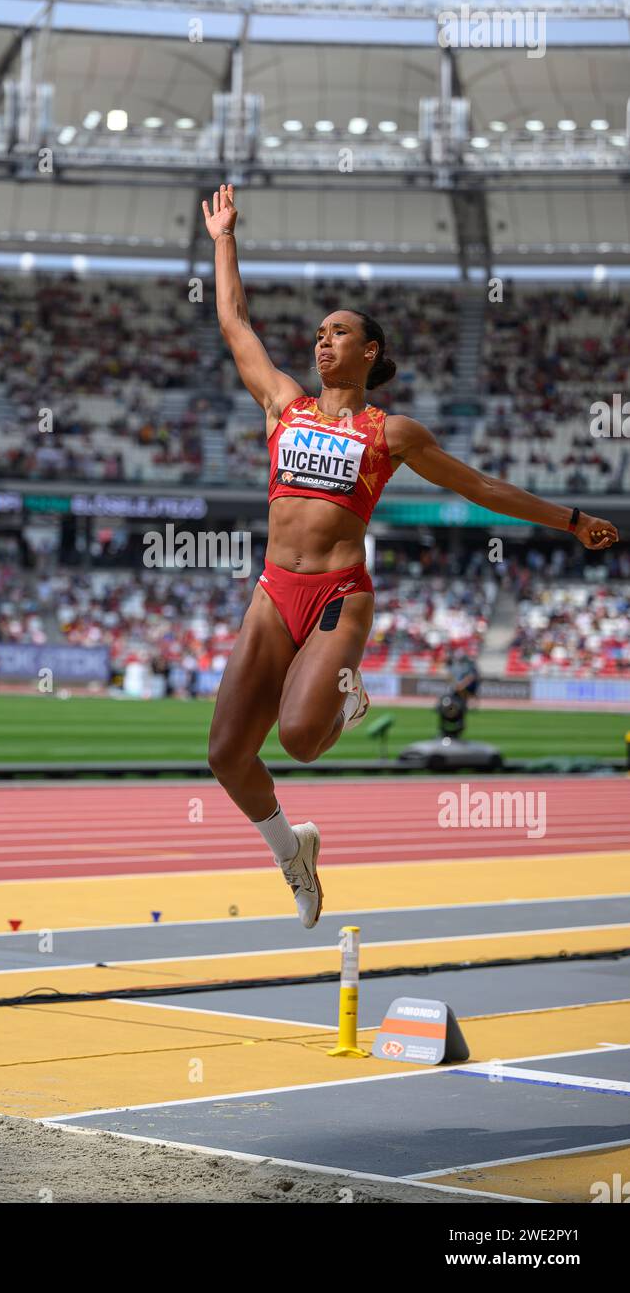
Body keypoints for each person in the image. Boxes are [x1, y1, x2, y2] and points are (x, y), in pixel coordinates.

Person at [202, 183, 620, 930]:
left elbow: (480, 486)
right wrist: (224, 236)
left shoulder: (390, 433)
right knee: (227, 757)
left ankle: (348, 695)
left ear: (369, 353)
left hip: (338, 594)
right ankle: (291, 852)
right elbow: (233, 319)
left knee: (299, 740)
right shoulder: (282, 404)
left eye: (338, 333)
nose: (322, 340)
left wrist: (571, 520)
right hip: (272, 591)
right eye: (319, 332)